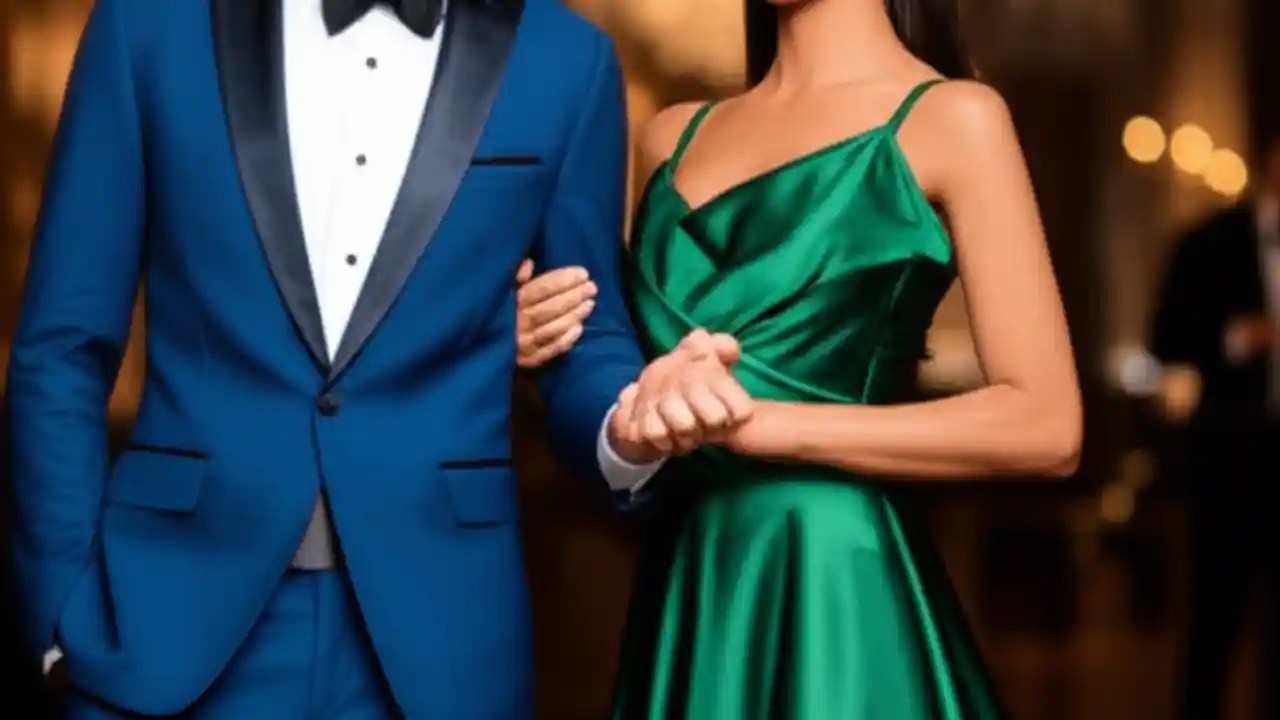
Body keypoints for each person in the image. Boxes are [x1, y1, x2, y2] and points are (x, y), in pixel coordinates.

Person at [6, 0, 751, 717]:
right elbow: (63, 348)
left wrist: (627, 425)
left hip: (440, 645)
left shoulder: (566, 61)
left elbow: (587, 337)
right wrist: (58, 613)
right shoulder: (150, 24)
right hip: (162, 626)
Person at [516, 0, 1083, 716]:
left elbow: (1046, 424)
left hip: (839, 581)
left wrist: (767, 427)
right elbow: (605, 375)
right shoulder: (667, 138)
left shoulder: (955, 118)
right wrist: (519, 328)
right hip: (692, 575)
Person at [1152, 131, 1280, 720]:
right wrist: (1239, 337)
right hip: (1232, 460)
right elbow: (1167, 336)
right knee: (1214, 619)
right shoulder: (1209, 242)